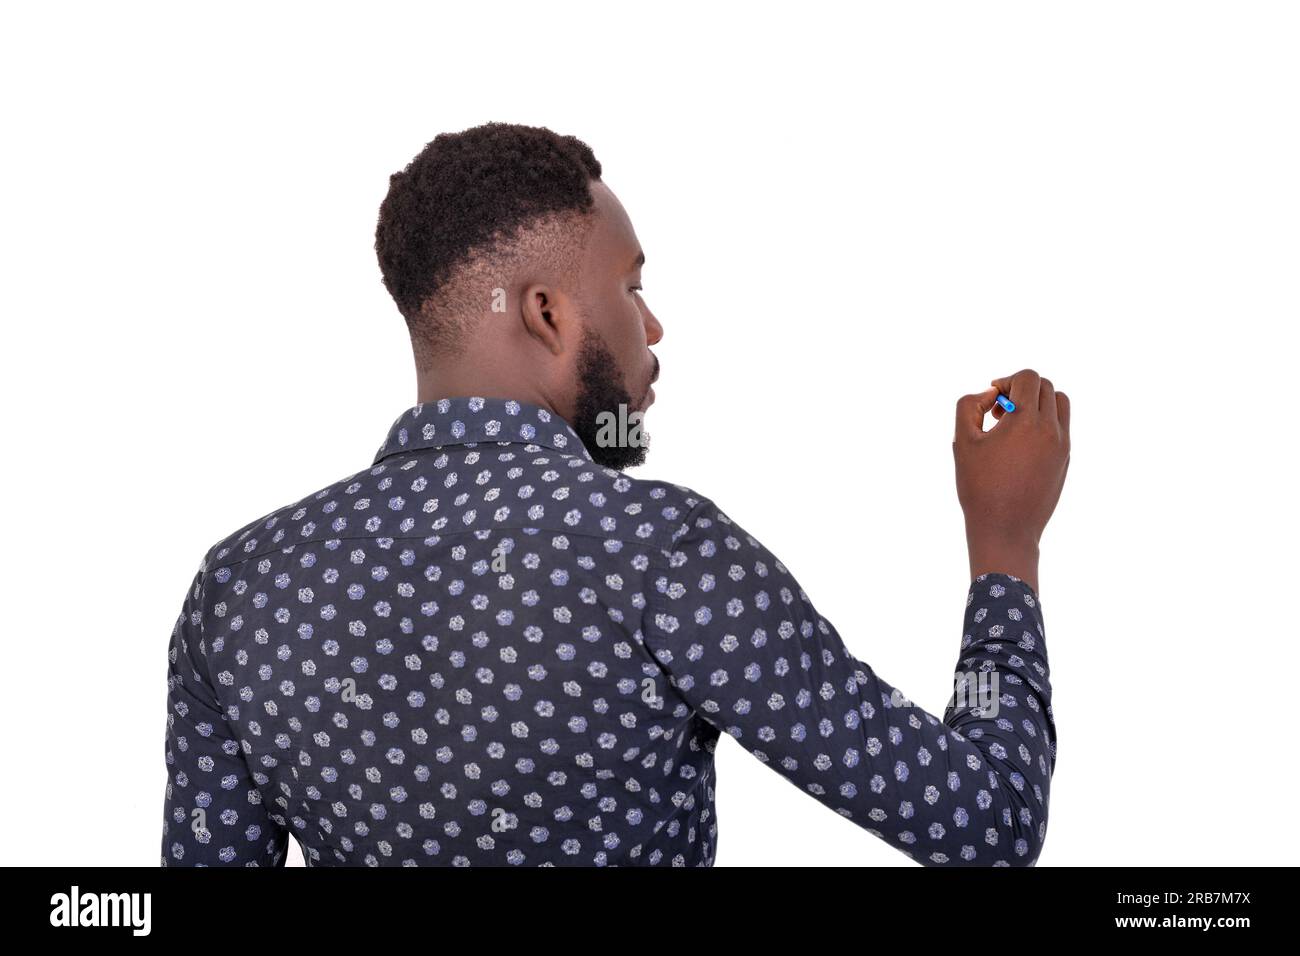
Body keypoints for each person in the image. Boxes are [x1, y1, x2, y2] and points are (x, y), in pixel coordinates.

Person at [160, 122, 1071, 867]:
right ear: (548, 314)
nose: (656, 327)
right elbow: (985, 822)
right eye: (633, 286)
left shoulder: (236, 589)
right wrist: (1004, 547)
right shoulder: (660, 553)